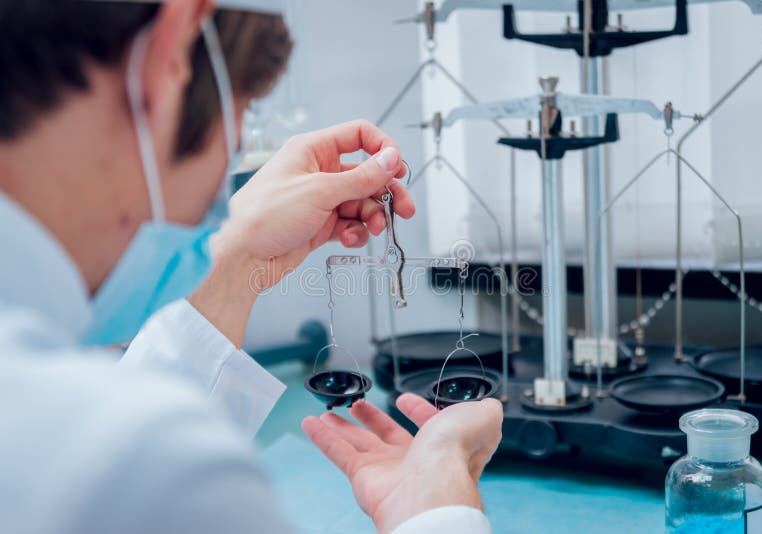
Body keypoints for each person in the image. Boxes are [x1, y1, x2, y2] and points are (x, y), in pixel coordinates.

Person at [0, 1, 503, 533]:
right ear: (171, 57)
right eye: (242, 114)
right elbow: (138, 466)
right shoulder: (129, 467)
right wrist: (438, 509)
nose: (236, 154)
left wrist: (239, 258)